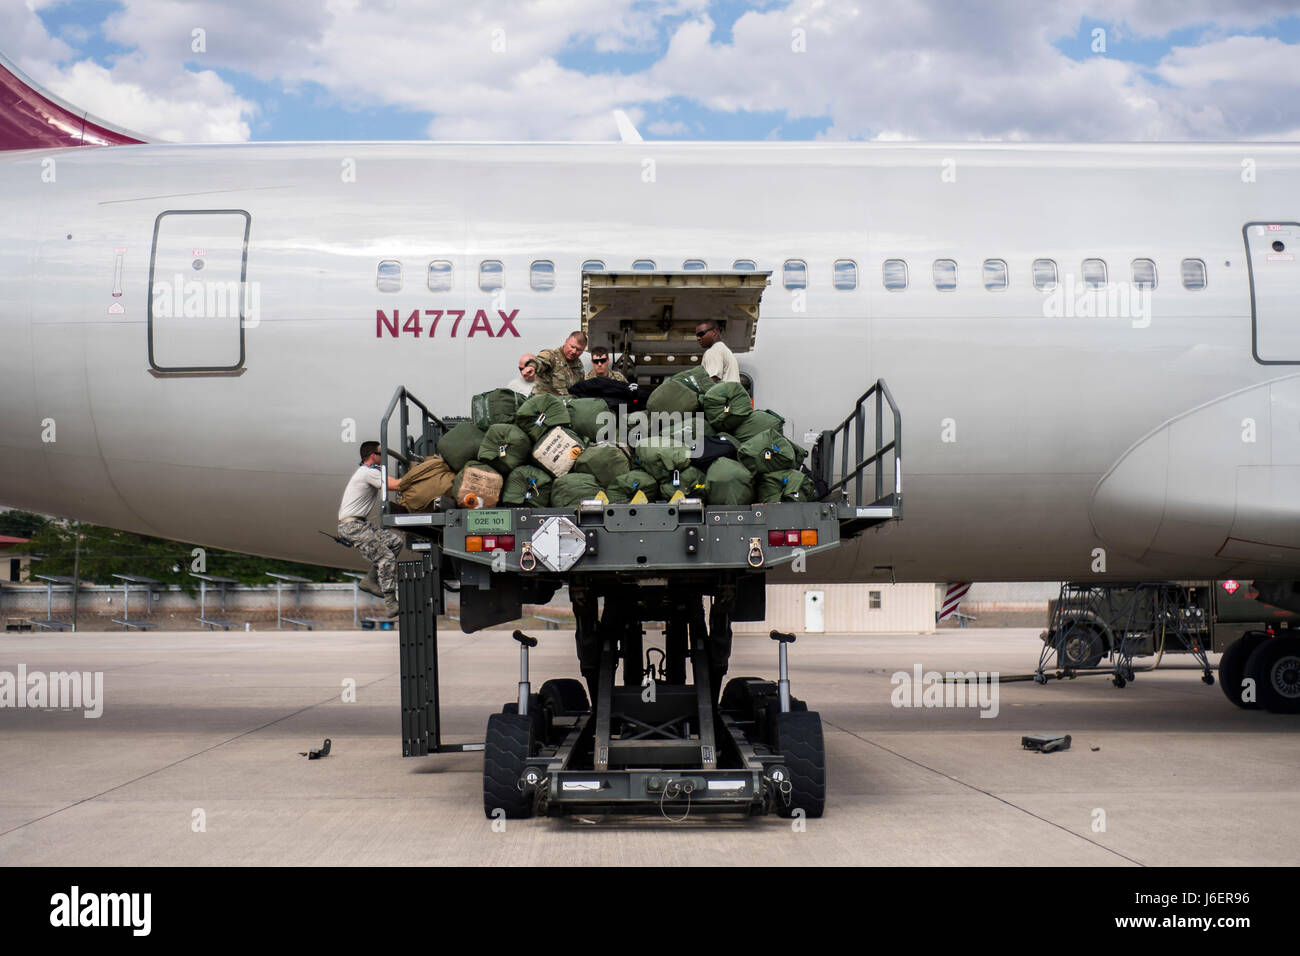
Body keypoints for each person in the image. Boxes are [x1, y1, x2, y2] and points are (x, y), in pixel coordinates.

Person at [337, 441, 403, 617]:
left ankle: (370, 580)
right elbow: (396, 485)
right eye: (381, 455)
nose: (383, 459)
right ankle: (391, 604)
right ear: (373, 455)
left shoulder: (368, 472)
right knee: (386, 557)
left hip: (359, 524)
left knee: (395, 542)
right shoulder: (368, 473)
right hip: (353, 526)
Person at [527, 330, 587, 395]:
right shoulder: (551, 355)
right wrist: (532, 367)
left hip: (565, 403)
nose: (574, 351)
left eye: (578, 350)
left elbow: (580, 388)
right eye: (572, 347)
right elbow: (540, 361)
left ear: (583, 350)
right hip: (543, 402)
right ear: (566, 341)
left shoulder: (579, 365)